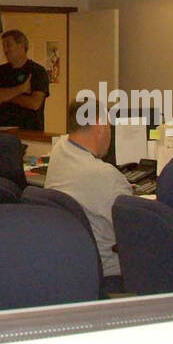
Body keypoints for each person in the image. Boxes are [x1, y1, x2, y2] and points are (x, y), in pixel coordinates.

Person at [44, 99, 131, 284]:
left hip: (69, 264)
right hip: (108, 272)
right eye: (109, 127)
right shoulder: (107, 176)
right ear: (99, 126)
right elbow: (134, 233)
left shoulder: (59, 150)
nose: (110, 134)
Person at [0, 29, 49, 131]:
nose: (5, 50)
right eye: (3, 46)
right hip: (2, 131)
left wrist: (6, 96)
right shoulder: (1, 70)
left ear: (21, 46)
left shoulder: (38, 71)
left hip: (30, 132)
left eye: (8, 45)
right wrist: (21, 89)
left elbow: (34, 103)